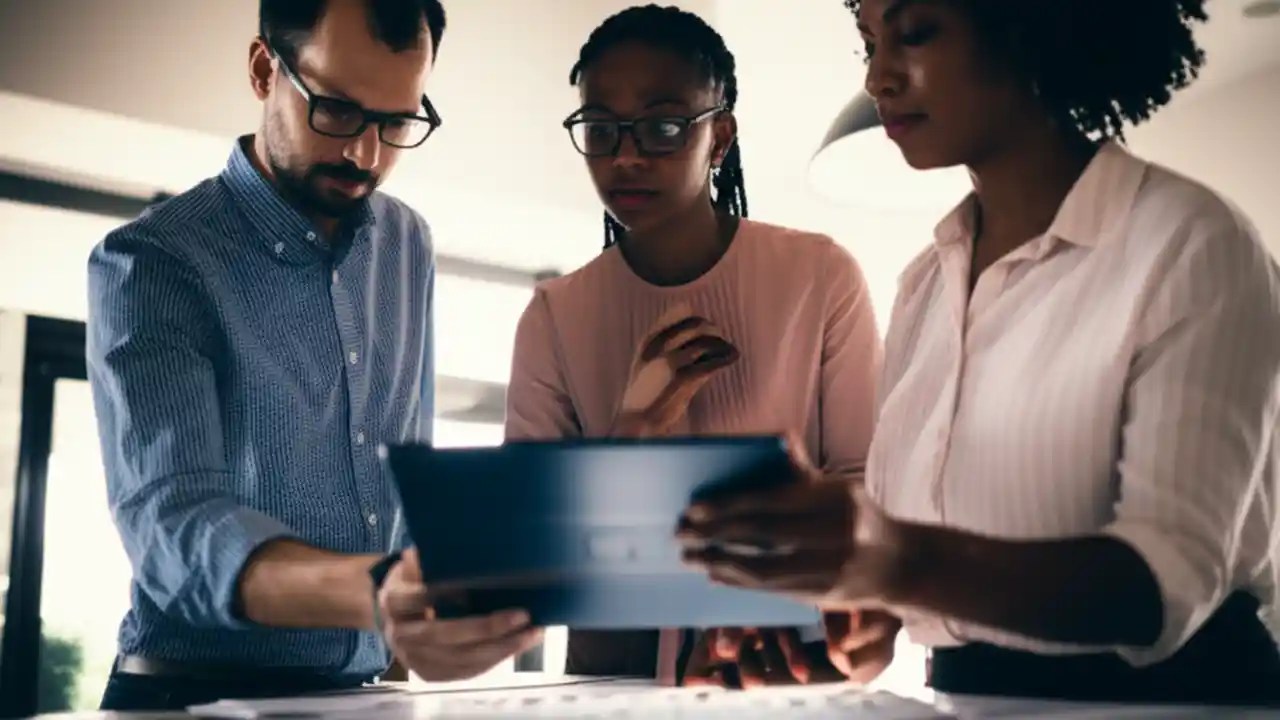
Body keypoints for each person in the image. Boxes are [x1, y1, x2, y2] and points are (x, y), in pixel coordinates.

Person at [677, 0, 1280, 706]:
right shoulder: (924, 285)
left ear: (1032, 27)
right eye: (869, 44)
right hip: (970, 697)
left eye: (916, 33)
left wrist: (895, 561)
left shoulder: (1190, 244)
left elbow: (1160, 586)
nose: (878, 78)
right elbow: (919, 591)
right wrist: (857, 626)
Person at [87, 0, 539, 710]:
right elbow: (174, 530)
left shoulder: (406, 244)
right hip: (188, 698)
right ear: (265, 69)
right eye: (336, 110)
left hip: (359, 694)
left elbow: (401, 484)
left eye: (397, 122)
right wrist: (378, 593)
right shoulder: (153, 261)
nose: (365, 153)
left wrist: (398, 649)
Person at [504, 4, 892, 688]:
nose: (626, 156)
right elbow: (528, 554)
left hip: (782, 667)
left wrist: (753, 596)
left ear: (719, 137)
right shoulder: (553, 317)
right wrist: (634, 430)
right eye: (601, 130)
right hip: (612, 679)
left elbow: (866, 494)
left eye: (661, 127)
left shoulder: (820, 277)